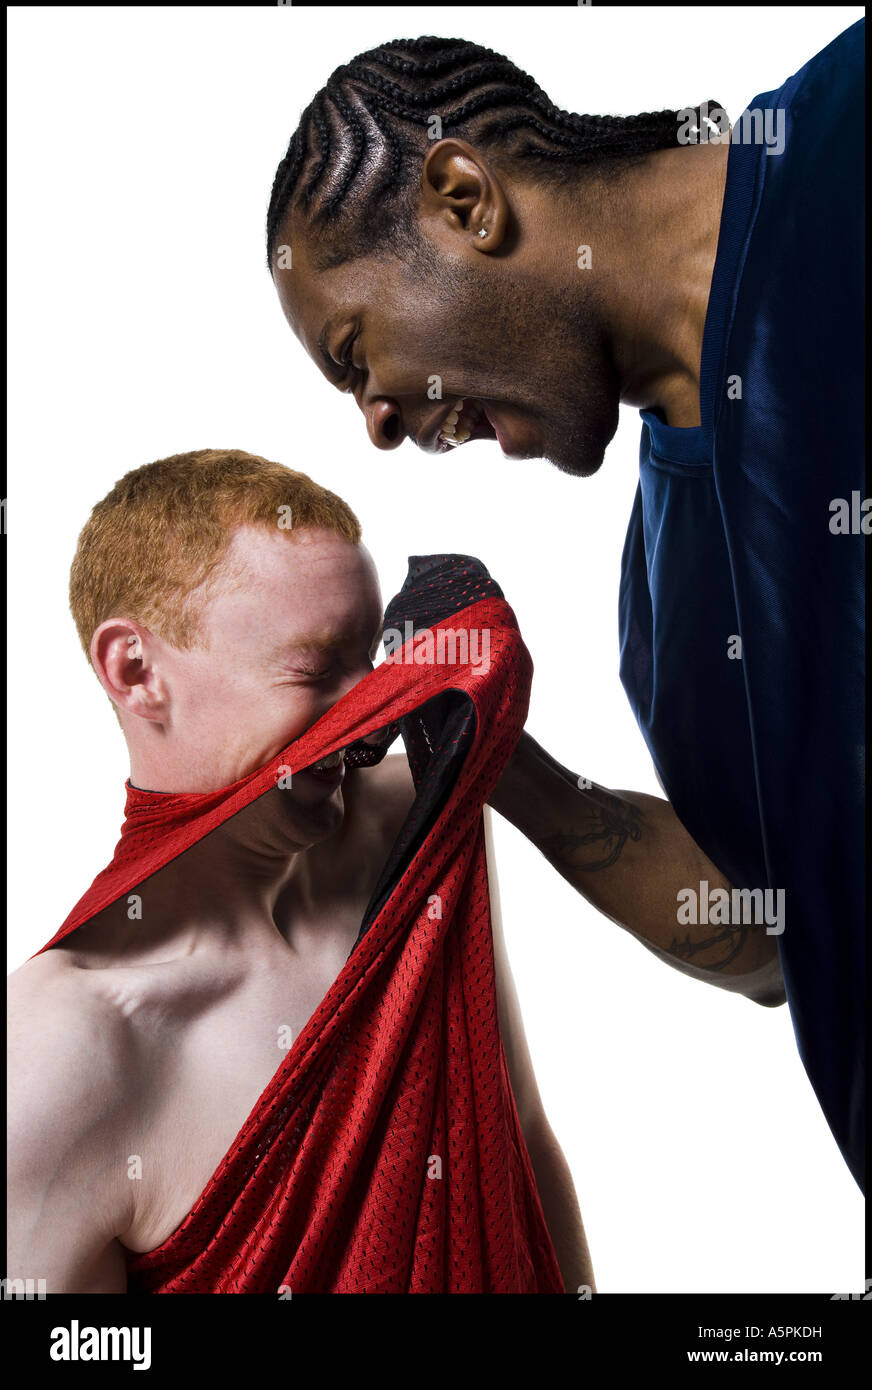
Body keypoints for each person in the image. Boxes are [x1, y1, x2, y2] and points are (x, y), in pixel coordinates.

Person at [267, 25, 864, 1189]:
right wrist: (496, 758)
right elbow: (771, 936)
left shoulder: (847, 144)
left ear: (460, 198)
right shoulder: (666, 615)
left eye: (353, 354)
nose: (379, 423)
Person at [7, 448, 594, 1294]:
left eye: (372, 666)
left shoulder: (413, 822)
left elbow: (519, 1136)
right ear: (137, 673)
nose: (370, 721)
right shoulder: (62, 1054)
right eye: (317, 672)